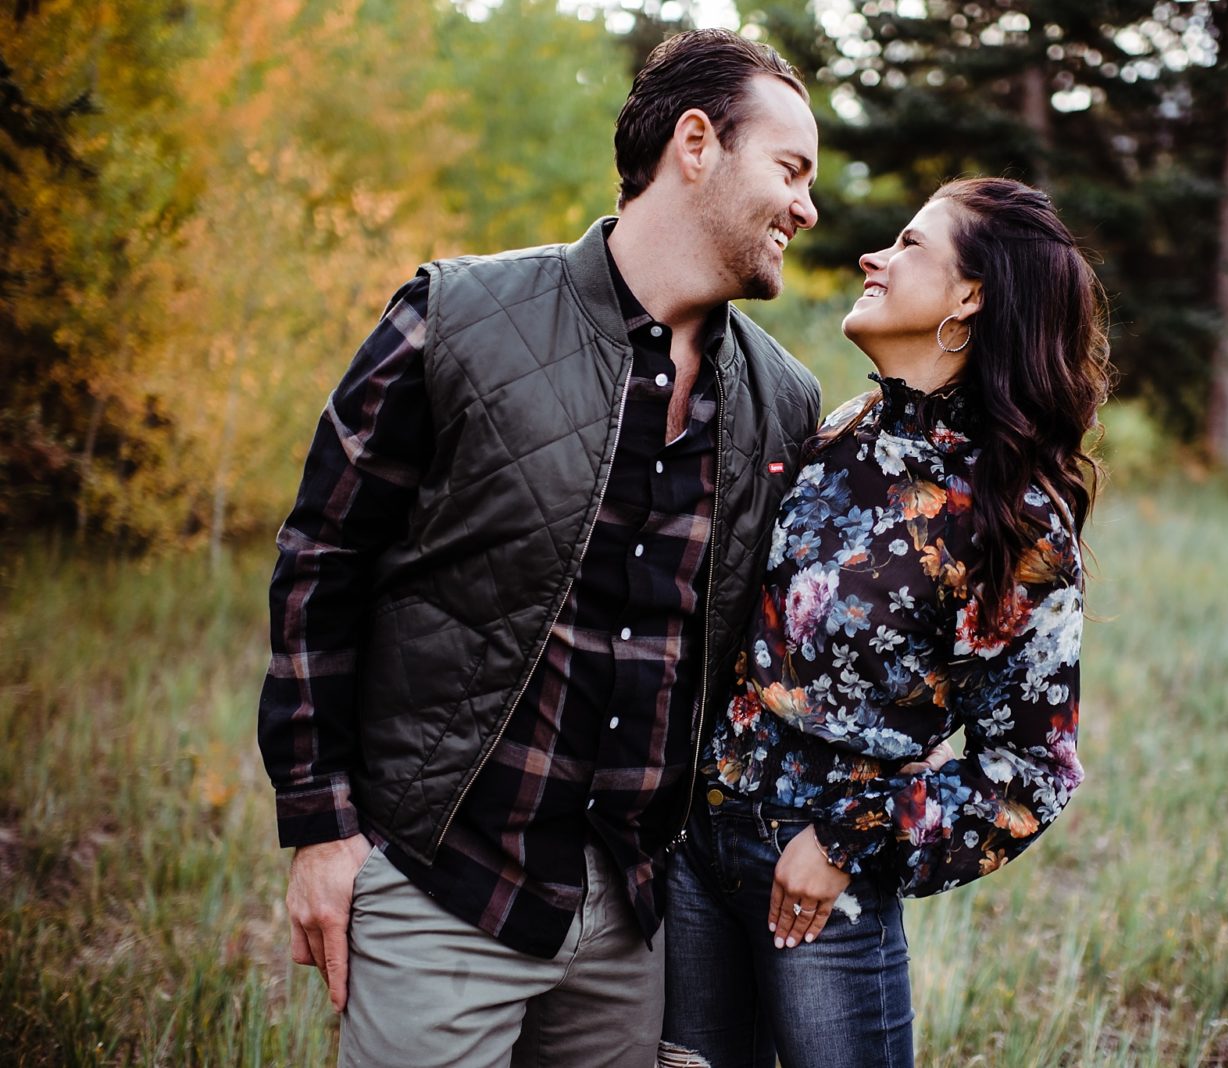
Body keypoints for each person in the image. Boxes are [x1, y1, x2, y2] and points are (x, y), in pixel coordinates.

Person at [255, 29, 822, 1068]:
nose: (806, 207)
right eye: (790, 170)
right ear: (695, 144)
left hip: (630, 923)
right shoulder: (456, 320)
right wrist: (321, 827)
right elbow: (319, 566)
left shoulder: (786, 404)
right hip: (443, 885)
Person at [660, 177, 1110, 1068]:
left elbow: (1032, 774)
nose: (873, 254)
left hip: (824, 892)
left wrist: (844, 842)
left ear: (970, 296)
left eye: (909, 244)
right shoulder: (841, 431)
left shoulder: (1011, 518)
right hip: (698, 857)